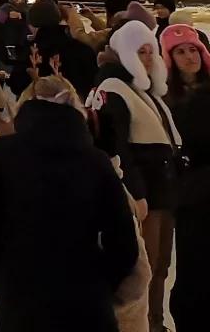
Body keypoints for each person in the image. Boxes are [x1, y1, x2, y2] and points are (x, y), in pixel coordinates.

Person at [0, 76, 139, 332]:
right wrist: (102, 281)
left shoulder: (1, 155)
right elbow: (123, 241)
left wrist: (4, 273)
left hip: (21, 298)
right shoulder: (96, 162)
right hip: (86, 301)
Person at [89, 18, 181, 332]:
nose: (147, 58)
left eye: (150, 52)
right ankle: (143, 323)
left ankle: (154, 321)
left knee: (161, 266)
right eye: (140, 52)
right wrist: (136, 192)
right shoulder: (114, 87)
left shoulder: (140, 87)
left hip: (162, 188)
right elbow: (118, 147)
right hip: (146, 193)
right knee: (147, 266)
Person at [162, 21, 210, 330]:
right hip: (191, 194)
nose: (189, 56)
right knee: (193, 263)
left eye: (193, 49)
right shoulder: (166, 98)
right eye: (181, 51)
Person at [27, 0, 97, 100]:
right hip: (76, 109)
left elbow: (18, 84)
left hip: (36, 111)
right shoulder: (82, 49)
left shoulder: (30, 51)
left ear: (32, 23)